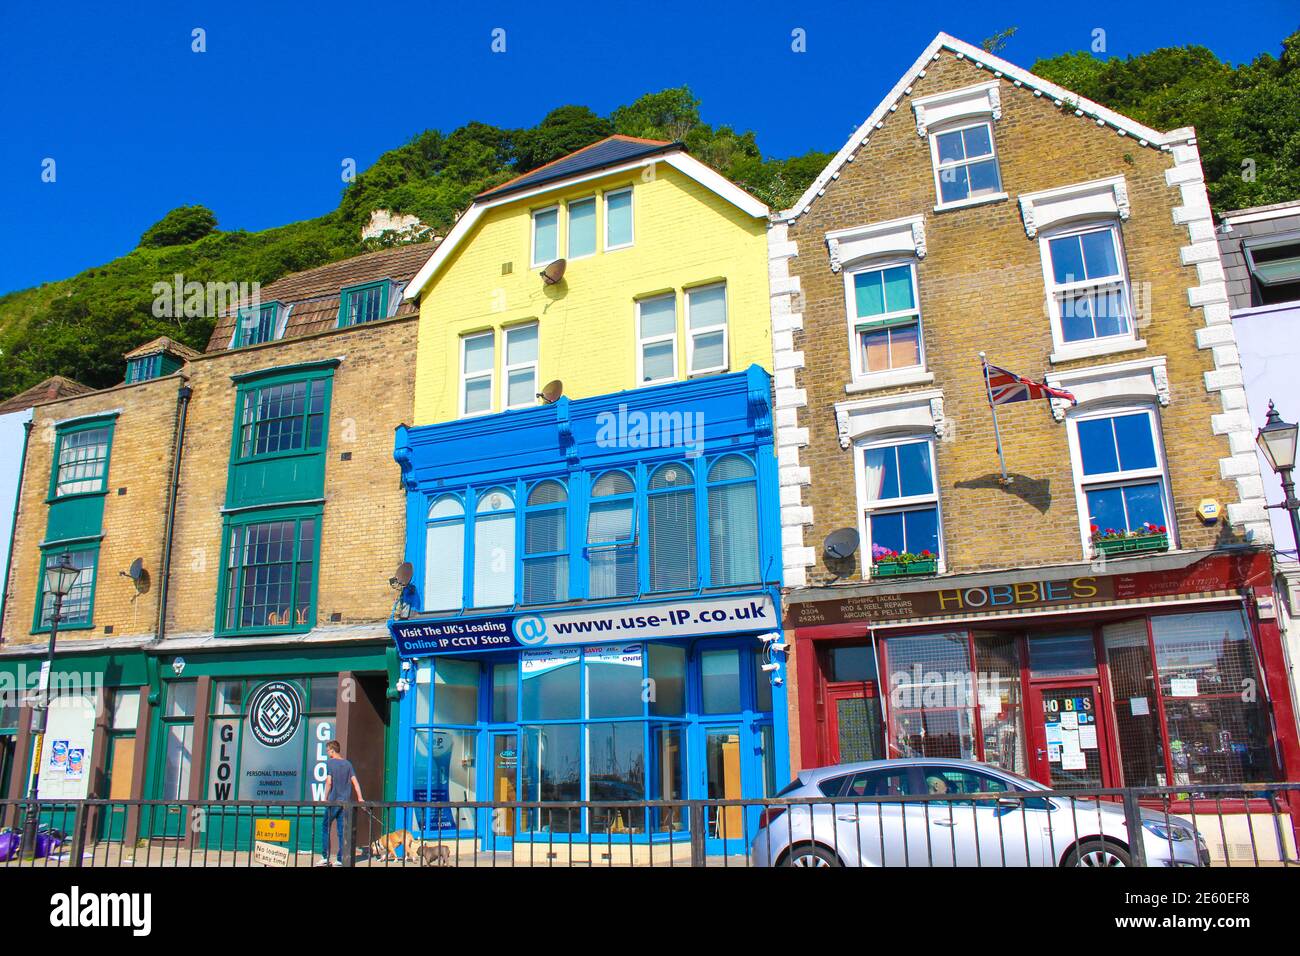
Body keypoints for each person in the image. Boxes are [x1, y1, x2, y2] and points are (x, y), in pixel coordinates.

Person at [318, 739, 363, 867]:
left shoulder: (330, 763)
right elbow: (355, 782)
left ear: (332, 750)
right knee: (341, 831)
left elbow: (328, 782)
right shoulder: (348, 764)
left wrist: (325, 797)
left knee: (325, 827)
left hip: (333, 802)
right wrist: (360, 798)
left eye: (327, 750)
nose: (327, 753)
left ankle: (325, 857)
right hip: (345, 803)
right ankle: (339, 859)